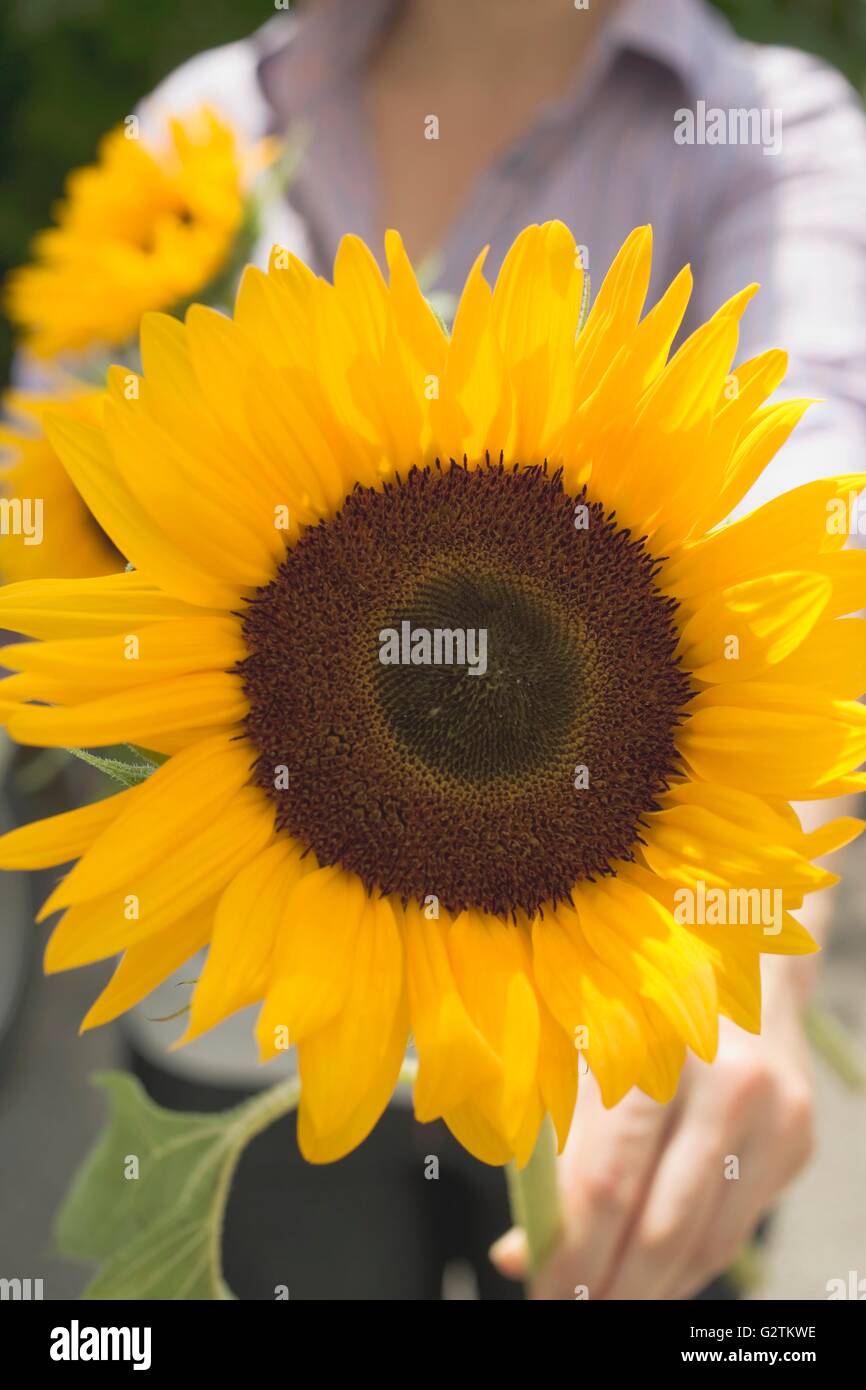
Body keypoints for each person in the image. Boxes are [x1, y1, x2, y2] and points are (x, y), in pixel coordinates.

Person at [65, 0, 866, 1298]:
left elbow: (812, 497)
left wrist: (740, 953)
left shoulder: (767, 127)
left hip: (614, 1047)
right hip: (258, 1001)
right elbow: (58, 493)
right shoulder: (207, 127)